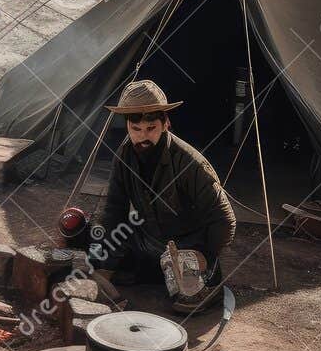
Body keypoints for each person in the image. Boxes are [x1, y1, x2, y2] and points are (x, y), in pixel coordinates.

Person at [99, 79, 236, 309]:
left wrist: (204, 256)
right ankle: (146, 270)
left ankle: (202, 277)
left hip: (187, 246)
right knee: (93, 249)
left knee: (187, 303)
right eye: (136, 129)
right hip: (148, 240)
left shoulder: (190, 163)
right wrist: (105, 264)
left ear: (165, 124)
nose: (143, 137)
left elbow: (225, 220)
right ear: (127, 127)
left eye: (151, 128)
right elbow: (114, 210)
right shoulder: (124, 156)